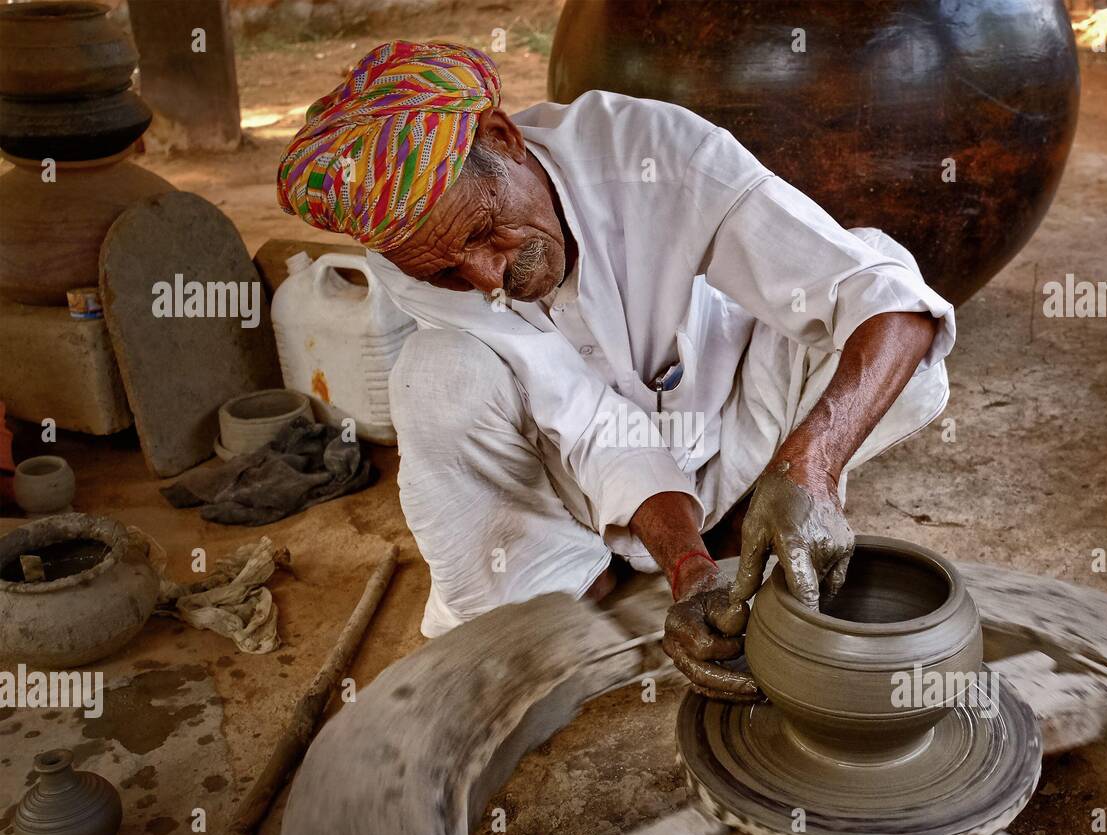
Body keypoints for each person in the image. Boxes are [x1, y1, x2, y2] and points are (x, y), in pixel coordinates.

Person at [277, 41, 955, 700]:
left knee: (883, 306)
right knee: (436, 375)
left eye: (484, 233)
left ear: (504, 138)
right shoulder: (412, 260)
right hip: (571, 481)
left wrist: (814, 463)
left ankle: (759, 523)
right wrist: (689, 572)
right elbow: (589, 423)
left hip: (730, 429)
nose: (487, 278)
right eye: (446, 270)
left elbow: (881, 295)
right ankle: (573, 589)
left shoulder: (654, 151)